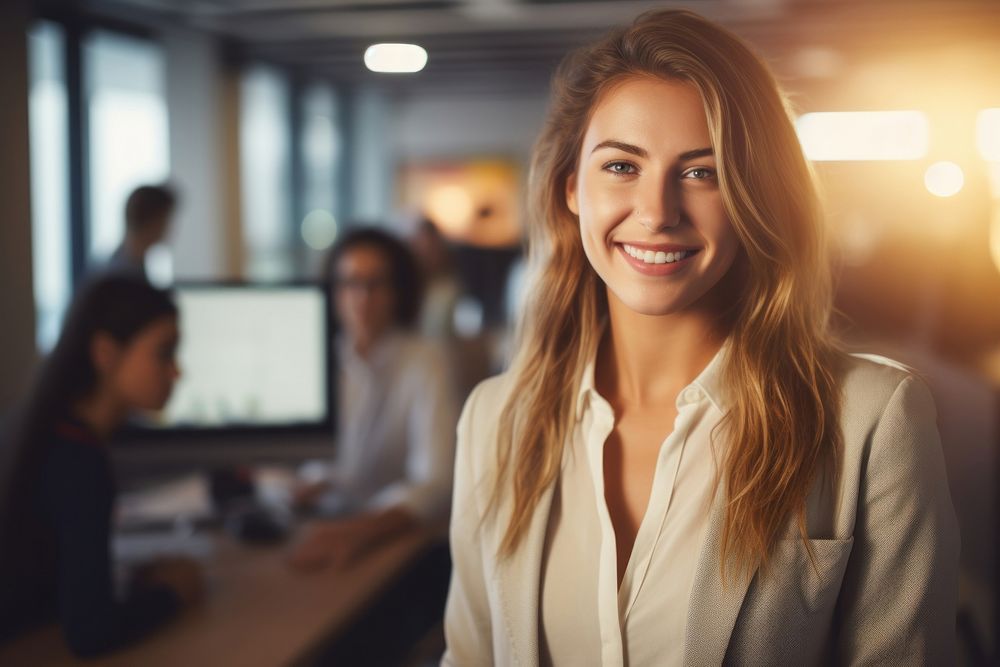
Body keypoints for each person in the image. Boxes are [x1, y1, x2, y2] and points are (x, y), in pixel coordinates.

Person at [442, 9, 959, 666]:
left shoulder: (871, 419)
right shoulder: (496, 419)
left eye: (701, 172)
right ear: (571, 188)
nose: (657, 213)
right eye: (622, 167)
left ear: (757, 197)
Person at [0, 276, 202, 657]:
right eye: (165, 352)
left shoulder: (42, 430)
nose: (177, 372)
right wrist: (175, 592)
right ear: (105, 354)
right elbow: (92, 634)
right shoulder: (79, 463)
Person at [289, 227, 458, 570]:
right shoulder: (314, 357)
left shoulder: (426, 360)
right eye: (350, 283)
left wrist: (362, 529)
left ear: (398, 291)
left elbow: (436, 481)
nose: (362, 297)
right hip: (314, 522)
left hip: (395, 539)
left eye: (376, 283)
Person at [103, 184, 177, 281]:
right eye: (166, 219)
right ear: (154, 222)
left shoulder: (123, 266)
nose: (170, 227)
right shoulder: (123, 279)